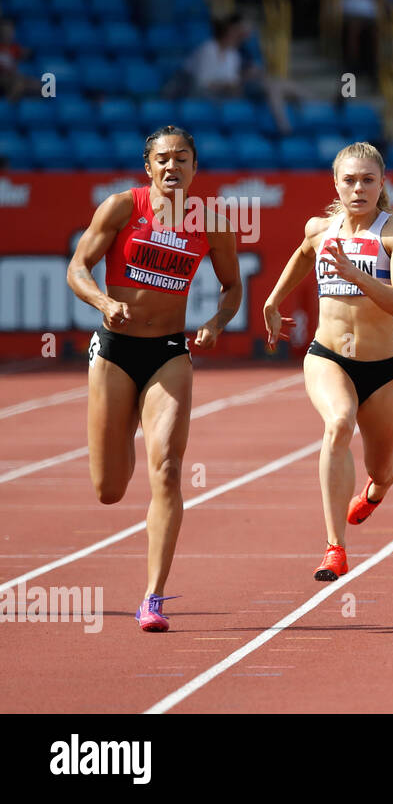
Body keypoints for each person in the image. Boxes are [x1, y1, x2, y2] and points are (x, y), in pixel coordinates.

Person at [64, 126, 243, 631]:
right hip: (116, 352)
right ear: (148, 168)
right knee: (110, 488)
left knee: (166, 468)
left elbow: (232, 287)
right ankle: (121, 425)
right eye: (163, 159)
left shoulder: (211, 221)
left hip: (169, 353)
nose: (172, 167)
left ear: (194, 168)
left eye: (182, 159)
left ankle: (153, 598)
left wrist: (214, 322)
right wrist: (103, 302)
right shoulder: (123, 207)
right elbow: (78, 267)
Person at [262, 142, 393, 581]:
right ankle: (335, 548)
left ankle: (378, 487)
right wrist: (274, 300)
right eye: (349, 180)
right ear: (335, 183)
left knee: (382, 469)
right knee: (339, 422)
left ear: (382, 184)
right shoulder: (320, 228)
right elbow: (303, 254)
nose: (358, 188)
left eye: (368, 180)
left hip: (383, 369)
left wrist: (356, 274)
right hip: (328, 356)